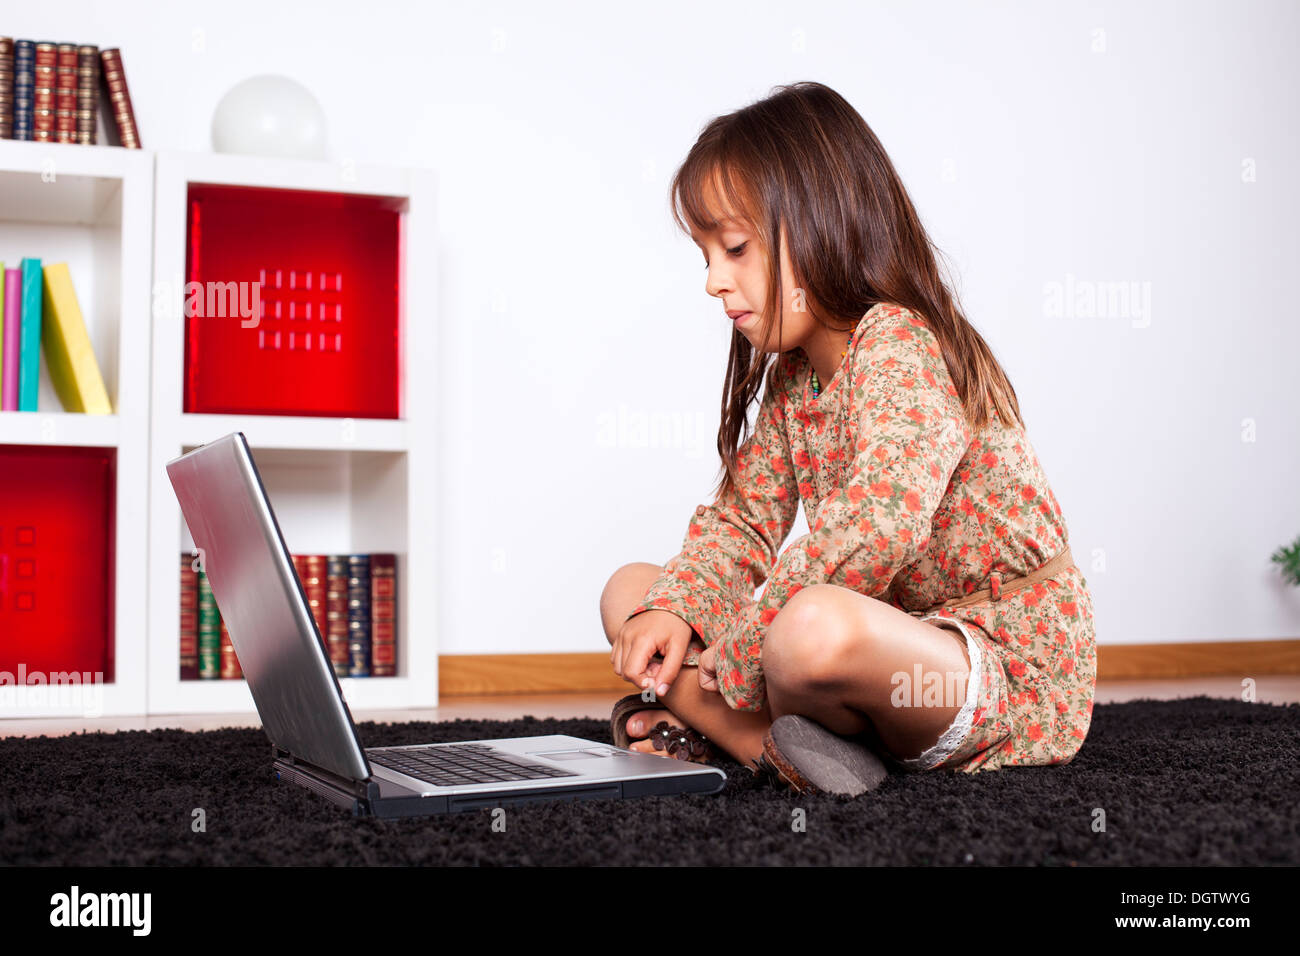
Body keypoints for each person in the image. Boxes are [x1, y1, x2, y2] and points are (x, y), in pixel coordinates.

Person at [601, 81, 1096, 796]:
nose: (713, 281)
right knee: (633, 594)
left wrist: (740, 648)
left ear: (819, 224)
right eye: (706, 255)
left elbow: (881, 526)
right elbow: (740, 524)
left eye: (735, 248)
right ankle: (774, 750)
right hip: (877, 644)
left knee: (807, 631)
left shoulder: (900, 344)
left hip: (993, 664)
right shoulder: (794, 380)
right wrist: (676, 611)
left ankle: (734, 733)